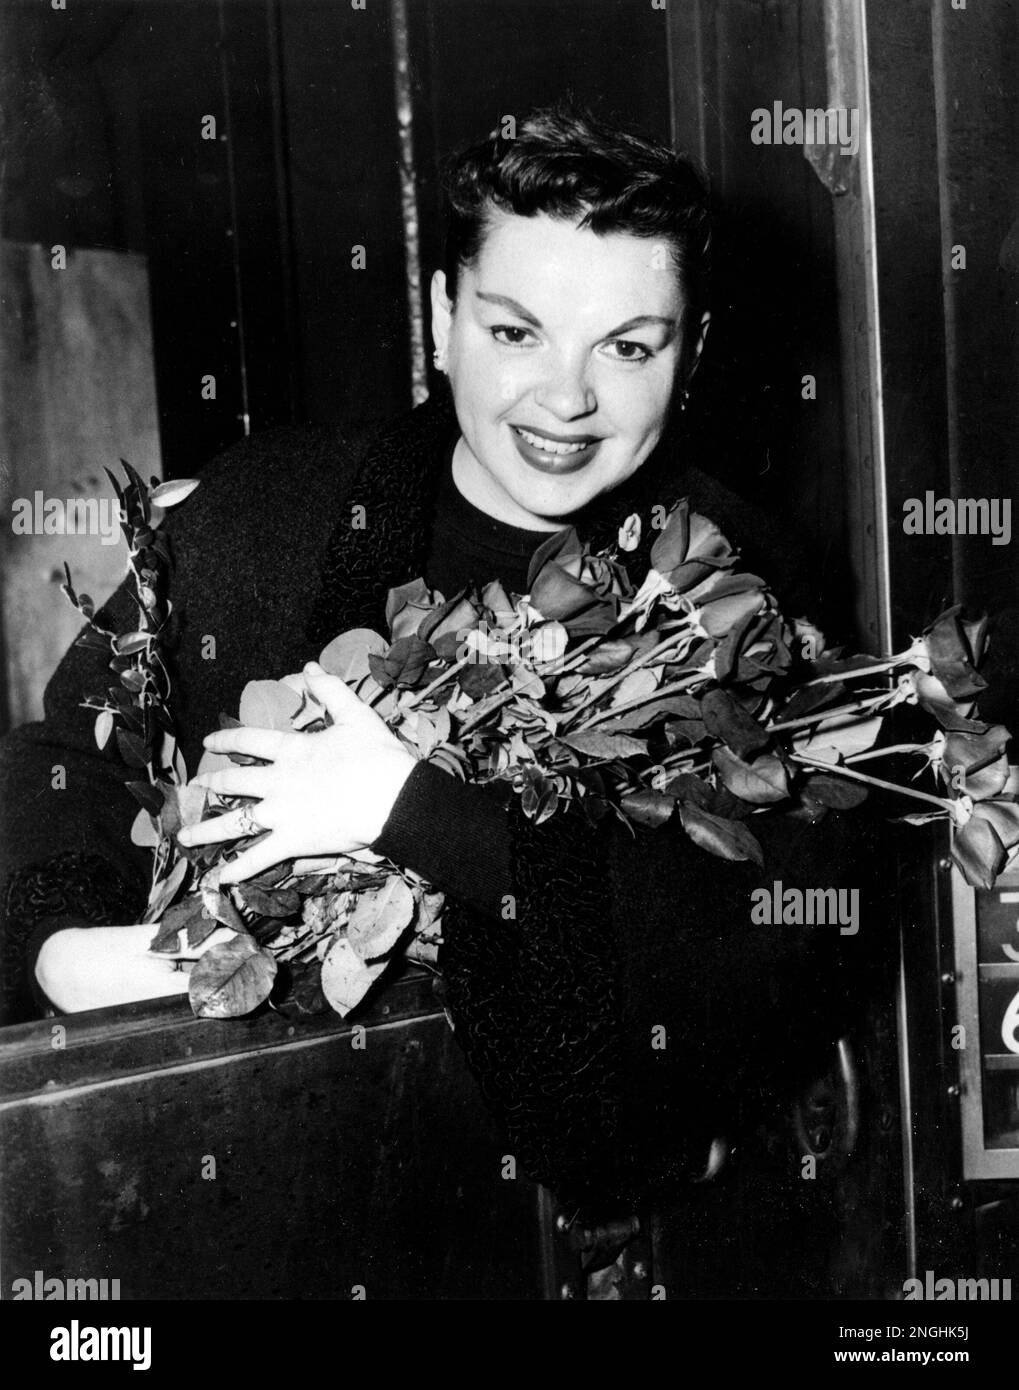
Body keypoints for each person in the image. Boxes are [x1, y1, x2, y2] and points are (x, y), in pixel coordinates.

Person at [0, 105, 875, 1219]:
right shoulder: (276, 509)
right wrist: (63, 943)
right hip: (274, 1194)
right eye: (516, 332)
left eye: (626, 345)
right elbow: (62, 752)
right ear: (441, 316)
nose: (566, 397)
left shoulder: (744, 588)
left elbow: (753, 941)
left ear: (689, 354)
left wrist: (410, 809)